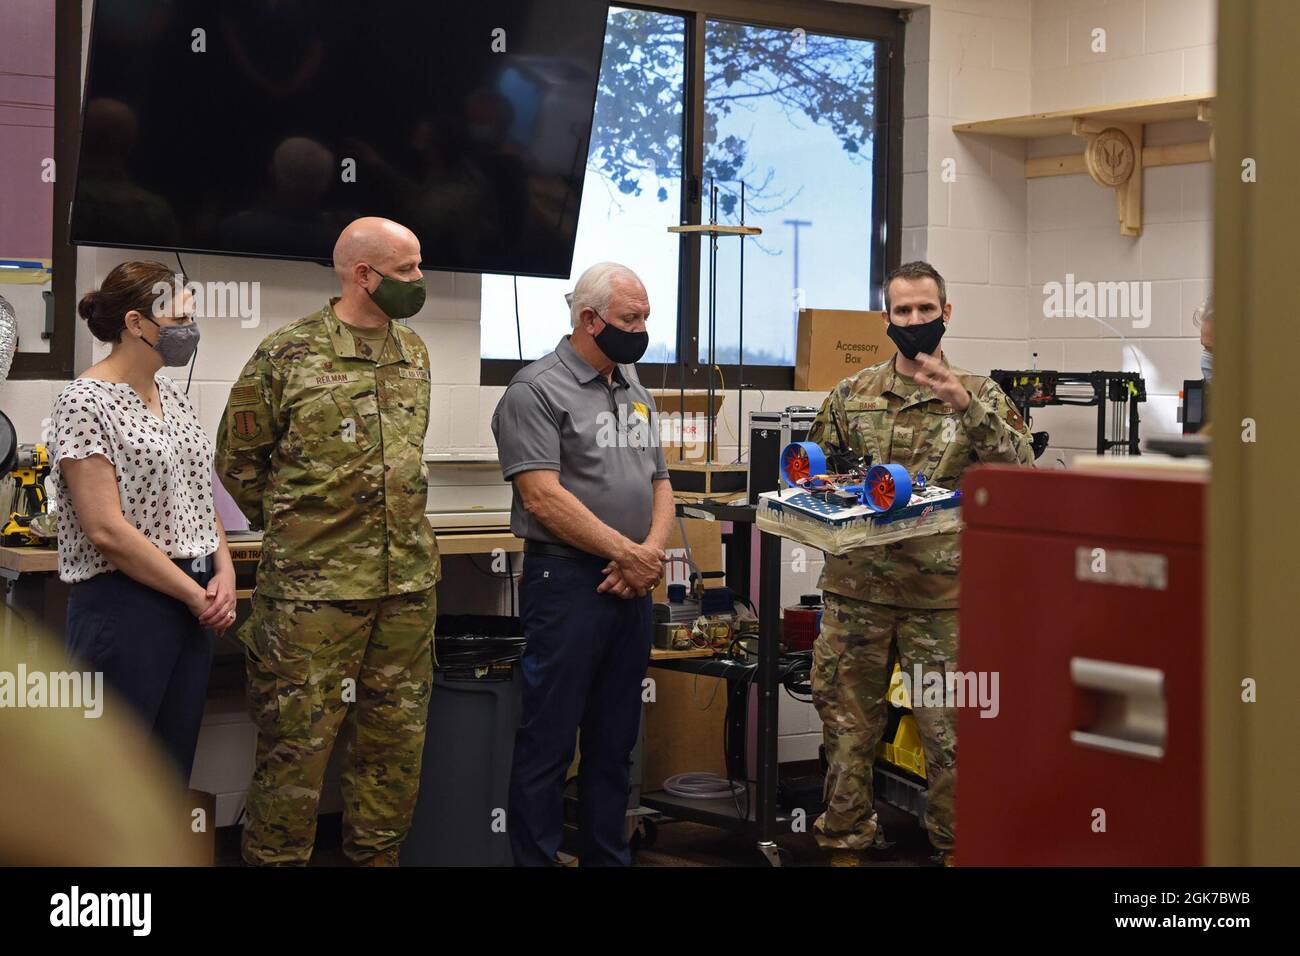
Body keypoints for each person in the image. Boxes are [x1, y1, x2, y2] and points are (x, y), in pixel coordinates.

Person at [215, 217, 440, 866]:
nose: (419, 281)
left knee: (393, 757)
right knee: (293, 762)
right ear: (361, 274)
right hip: (311, 603)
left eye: (419, 266)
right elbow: (237, 462)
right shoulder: (289, 353)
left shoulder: (415, 352)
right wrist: (305, 535)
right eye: (407, 270)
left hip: (406, 594)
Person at [806, 260, 1034, 866]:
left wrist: (965, 406)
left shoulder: (981, 395)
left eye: (925, 310)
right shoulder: (851, 396)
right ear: (886, 319)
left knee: (952, 738)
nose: (914, 321)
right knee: (848, 733)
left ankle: (961, 851)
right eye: (902, 312)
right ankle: (845, 849)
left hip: (943, 603)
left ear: (946, 313)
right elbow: (812, 480)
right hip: (857, 596)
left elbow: (1022, 477)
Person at [491, 262, 673, 866]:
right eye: (631, 318)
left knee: (614, 743)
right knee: (547, 742)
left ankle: (606, 860)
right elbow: (542, 495)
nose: (642, 328)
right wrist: (629, 553)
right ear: (590, 320)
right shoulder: (534, 390)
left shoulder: (632, 384)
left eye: (645, 316)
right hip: (567, 580)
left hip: (632, 584)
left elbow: (660, 481)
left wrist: (648, 554)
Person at [52, 260, 236, 783]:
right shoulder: (85, 401)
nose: (190, 332)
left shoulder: (172, 399)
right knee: (115, 782)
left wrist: (222, 570)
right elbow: (106, 530)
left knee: (166, 773)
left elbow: (201, 496)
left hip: (192, 598)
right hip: (126, 604)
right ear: (137, 324)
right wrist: (192, 592)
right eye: (179, 319)